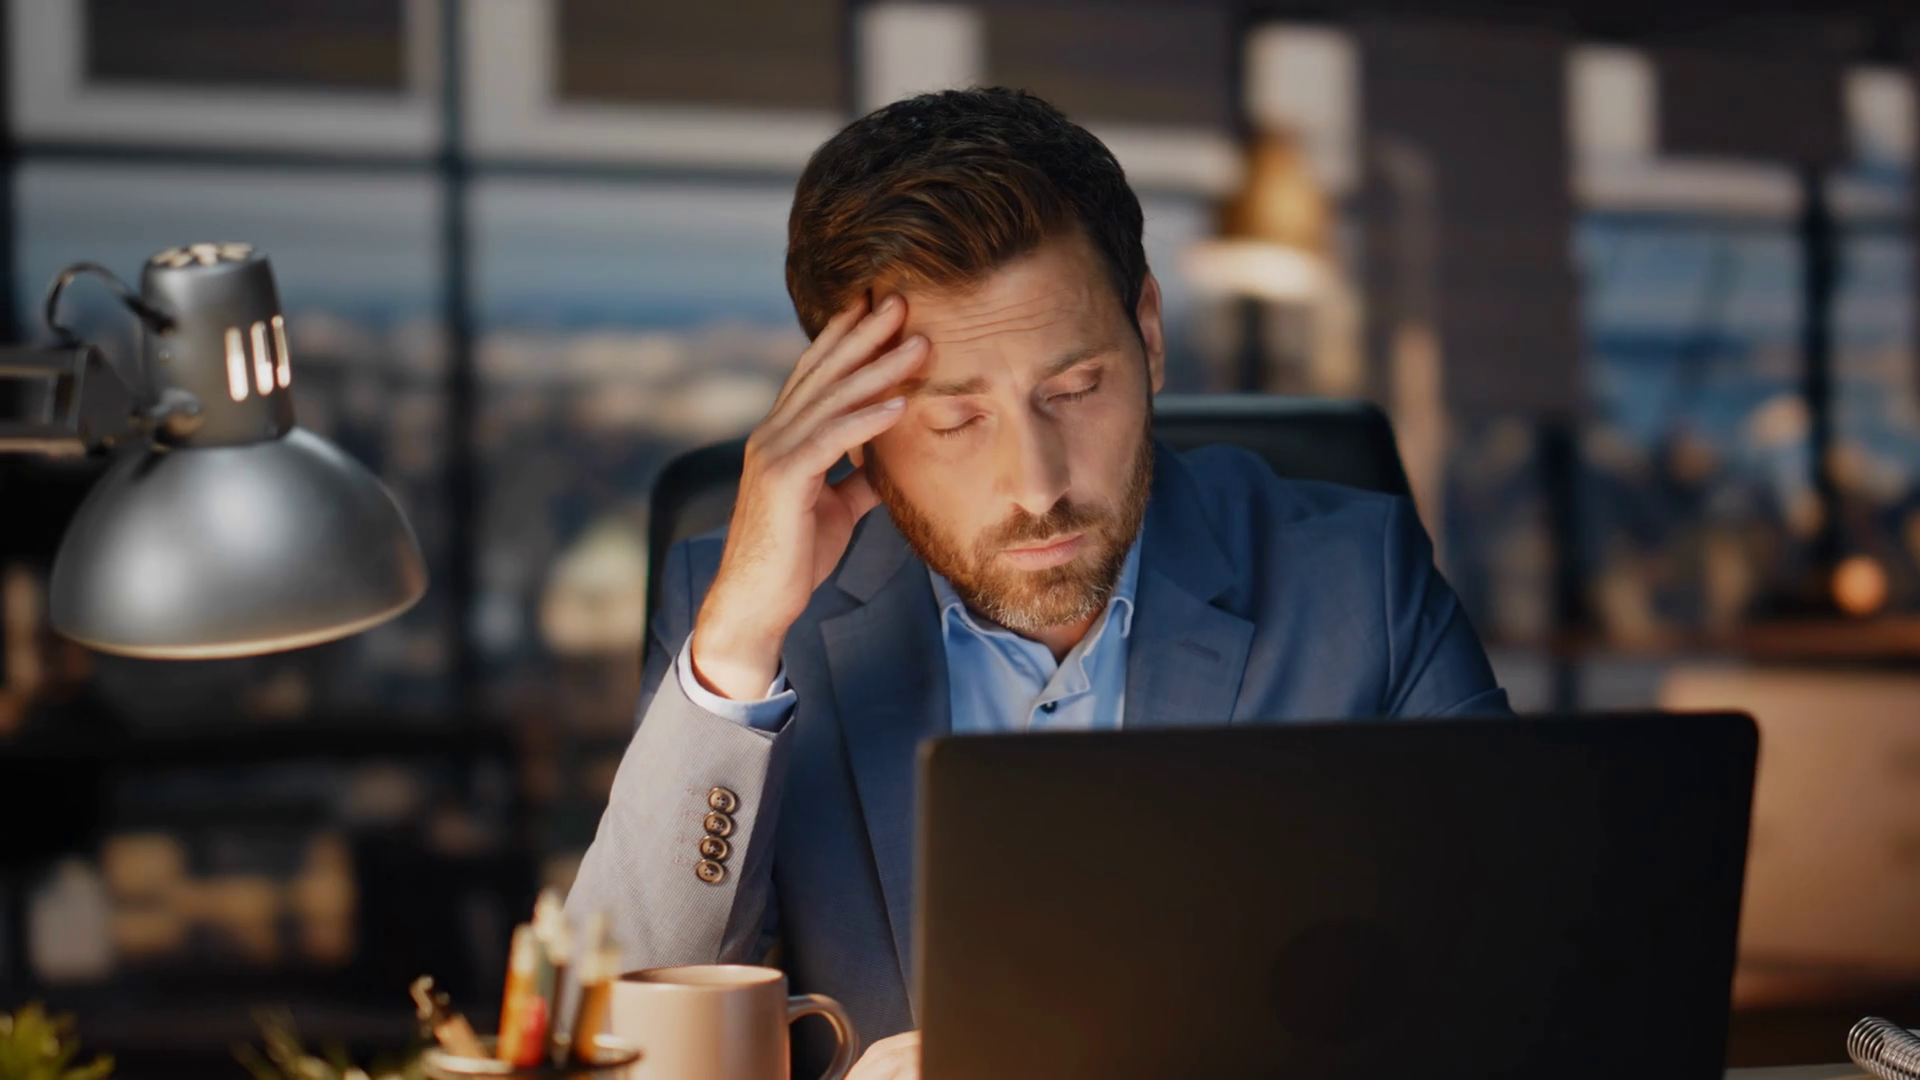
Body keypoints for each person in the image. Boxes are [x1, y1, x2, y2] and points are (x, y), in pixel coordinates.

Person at [567, 88, 1510, 1080]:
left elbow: (1524, 980)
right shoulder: (742, 622)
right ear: (853, 413)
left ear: (1148, 332)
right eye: (954, 419)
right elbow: (605, 1053)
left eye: (1074, 389)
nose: (1038, 484)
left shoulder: (1358, 583)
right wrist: (735, 651)